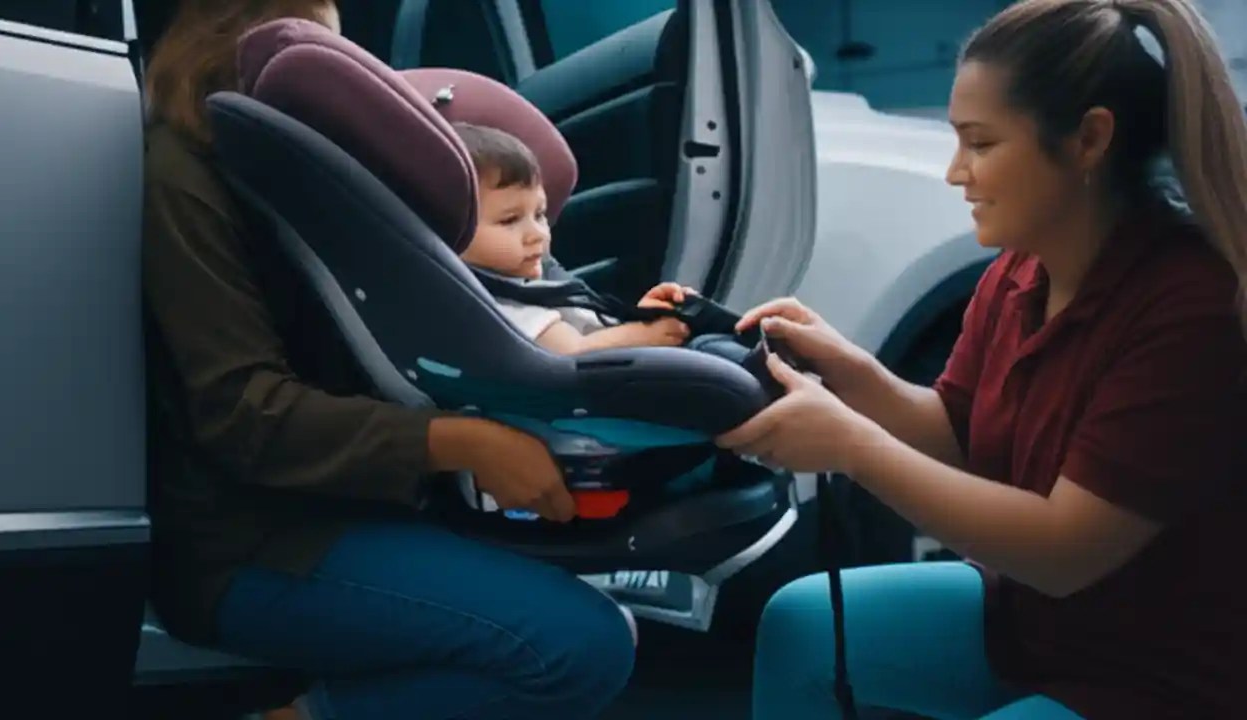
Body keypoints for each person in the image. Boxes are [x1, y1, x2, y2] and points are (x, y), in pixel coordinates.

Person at [718, 1, 1247, 718]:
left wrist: (851, 447)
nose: (955, 172)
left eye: (981, 143)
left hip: (1157, 682)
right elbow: (961, 431)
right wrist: (848, 371)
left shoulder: (1190, 305)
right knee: (802, 627)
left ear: (1089, 139)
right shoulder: (1019, 271)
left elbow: (1064, 553)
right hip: (1032, 629)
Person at [141, 2, 635, 719]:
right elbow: (243, 412)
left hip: (356, 504)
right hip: (251, 540)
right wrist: (463, 443)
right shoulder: (183, 177)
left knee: (601, 614)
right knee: (577, 647)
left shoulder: (293, 162)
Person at [452, 122, 694, 354]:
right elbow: (572, 355)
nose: (538, 234)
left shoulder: (525, 284)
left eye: (539, 214)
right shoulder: (501, 308)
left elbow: (590, 333)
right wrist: (642, 335)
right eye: (509, 220)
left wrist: (639, 319)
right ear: (450, 233)